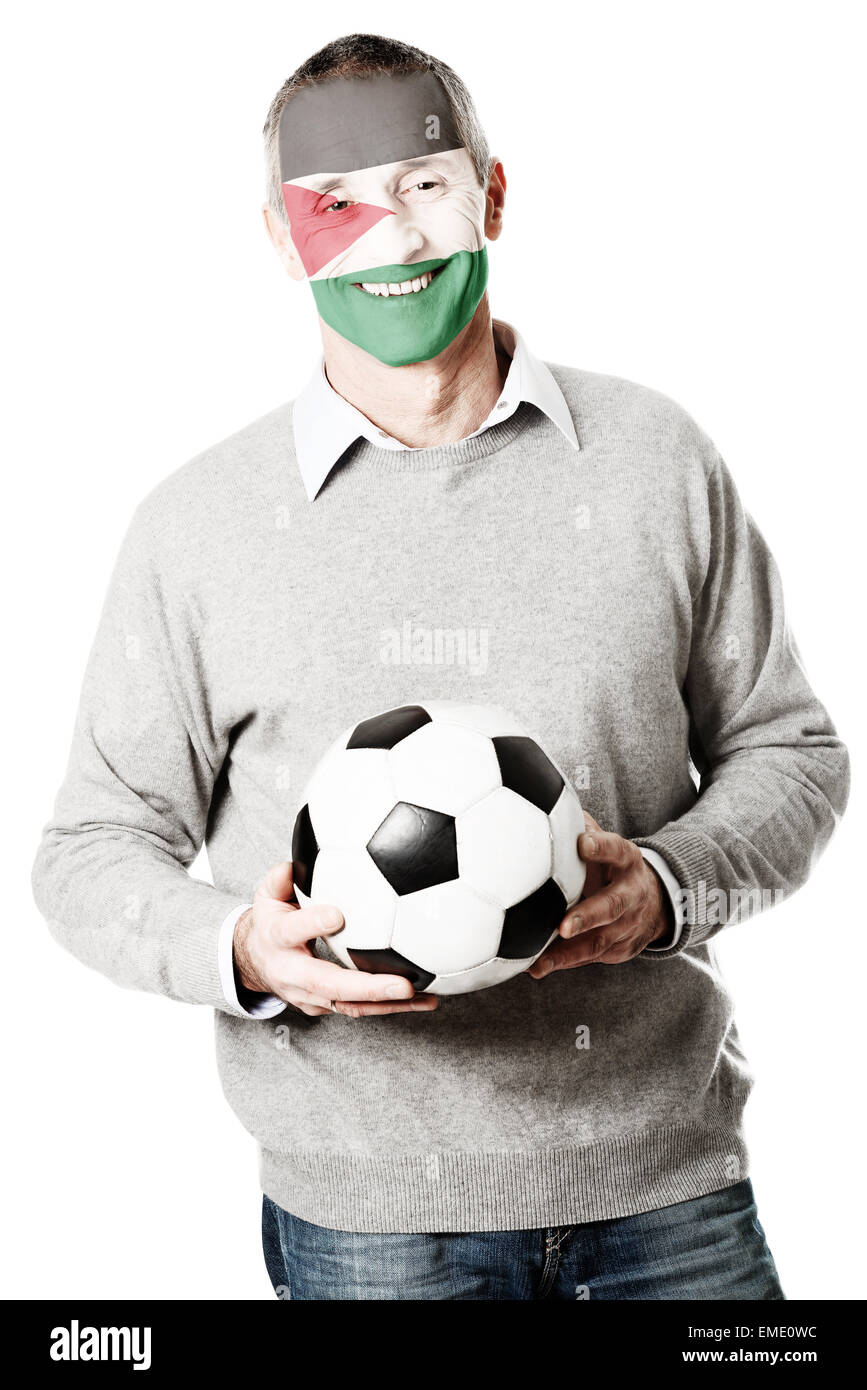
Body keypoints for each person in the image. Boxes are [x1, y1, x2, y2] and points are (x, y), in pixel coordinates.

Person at [32, 32, 849, 1301]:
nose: (391, 241)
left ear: (494, 195)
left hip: (673, 1198)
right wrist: (243, 948)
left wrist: (672, 886)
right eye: (334, 205)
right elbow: (91, 845)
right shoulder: (197, 526)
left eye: (423, 186)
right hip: (372, 1235)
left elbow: (791, 750)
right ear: (277, 236)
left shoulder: (655, 461)